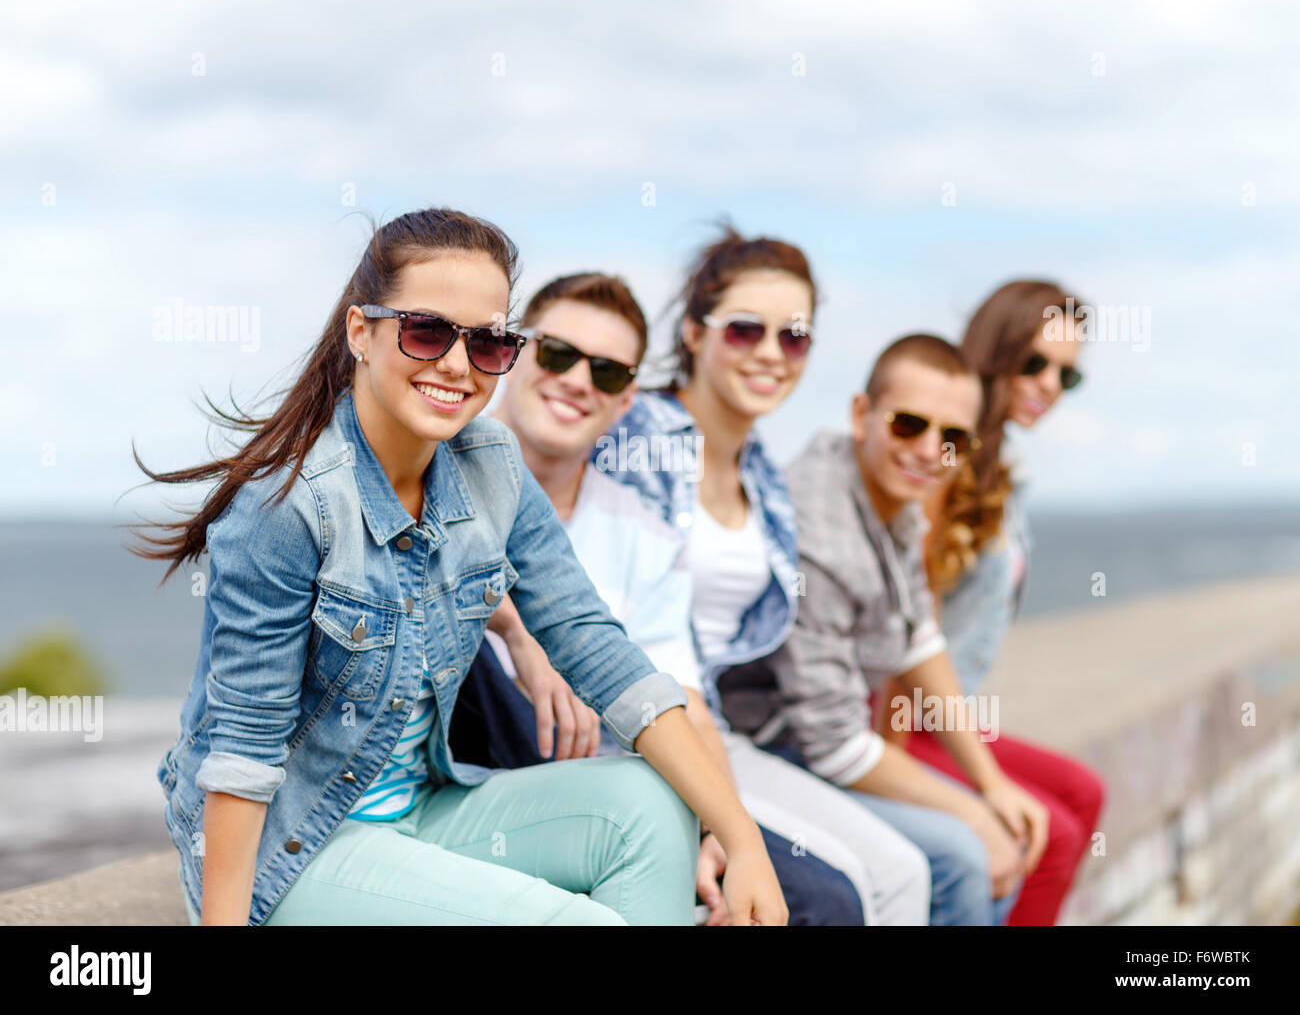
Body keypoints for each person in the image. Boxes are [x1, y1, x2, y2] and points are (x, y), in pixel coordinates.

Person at [132, 208, 785, 926]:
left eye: (487, 342)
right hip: (292, 851)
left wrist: (742, 837)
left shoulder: (493, 468)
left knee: (654, 800)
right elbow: (243, 754)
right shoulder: (288, 507)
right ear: (361, 332)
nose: (455, 364)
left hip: (420, 811)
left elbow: (598, 647)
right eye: (426, 331)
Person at [449, 270, 875, 925]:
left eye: (608, 373)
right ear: (514, 352)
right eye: (558, 354)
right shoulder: (439, 464)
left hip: (607, 771)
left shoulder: (643, 533)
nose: (579, 381)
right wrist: (516, 629)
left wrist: (718, 827)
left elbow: (687, 702)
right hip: (474, 764)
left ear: (627, 402)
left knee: (824, 901)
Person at [590, 226, 933, 925]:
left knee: (901, 874)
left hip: (722, 731)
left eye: (794, 336)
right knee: (837, 896)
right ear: (695, 332)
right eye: (746, 330)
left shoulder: (765, 476)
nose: (772, 353)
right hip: (638, 733)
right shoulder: (636, 438)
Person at [722, 333, 1050, 926]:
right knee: (963, 857)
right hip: (765, 746)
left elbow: (919, 637)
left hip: (819, 739)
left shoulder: (889, 495)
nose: (928, 451)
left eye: (952, 438)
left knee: (1002, 834)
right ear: (860, 414)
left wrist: (991, 785)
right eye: (909, 425)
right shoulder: (819, 533)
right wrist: (973, 813)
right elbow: (833, 745)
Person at [884, 281, 1107, 925]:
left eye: (1066, 375)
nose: (1048, 385)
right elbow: (907, 621)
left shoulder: (1002, 466)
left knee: (1082, 792)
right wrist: (894, 766)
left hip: (943, 718)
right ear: (995, 351)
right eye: (1034, 363)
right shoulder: (941, 458)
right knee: (1051, 835)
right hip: (901, 722)